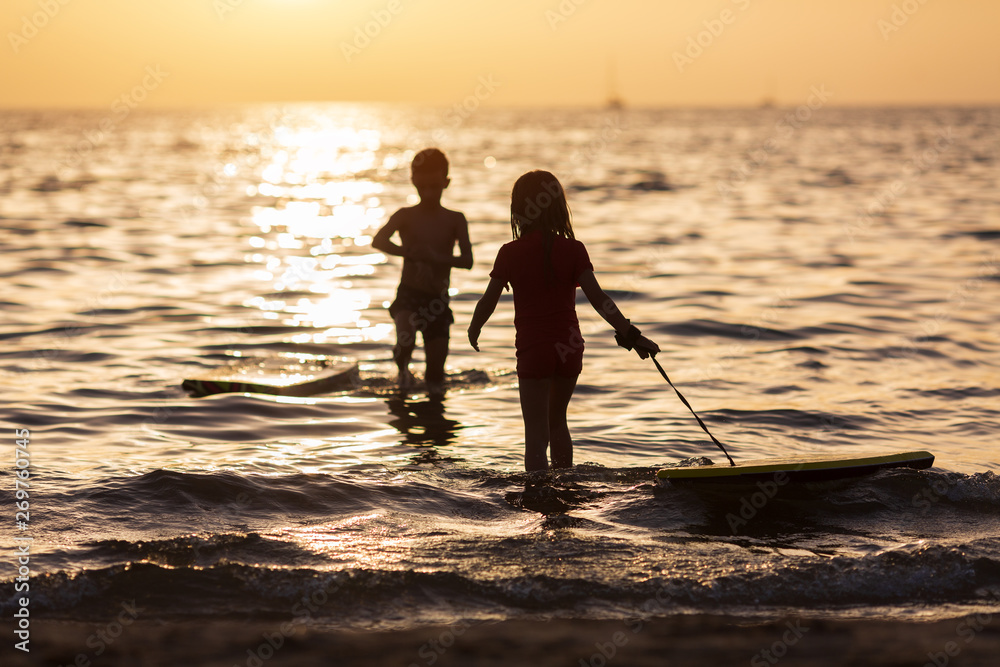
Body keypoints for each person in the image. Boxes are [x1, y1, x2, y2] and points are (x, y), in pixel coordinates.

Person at [468, 170, 659, 472]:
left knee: (535, 436)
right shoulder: (574, 250)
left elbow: (488, 300)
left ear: (518, 211)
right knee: (558, 422)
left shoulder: (509, 253)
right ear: (558, 207)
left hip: (534, 350)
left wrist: (475, 327)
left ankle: (540, 492)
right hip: (569, 347)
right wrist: (631, 335)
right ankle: (565, 482)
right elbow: (600, 299)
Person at [373, 148, 472, 395]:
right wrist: (409, 253)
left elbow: (468, 261)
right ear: (413, 182)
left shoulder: (455, 219)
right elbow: (379, 240)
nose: (428, 193)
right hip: (409, 294)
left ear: (446, 183)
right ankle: (402, 370)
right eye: (423, 187)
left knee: (435, 379)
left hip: (438, 300)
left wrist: (438, 258)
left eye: (434, 187)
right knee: (406, 339)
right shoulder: (405, 216)